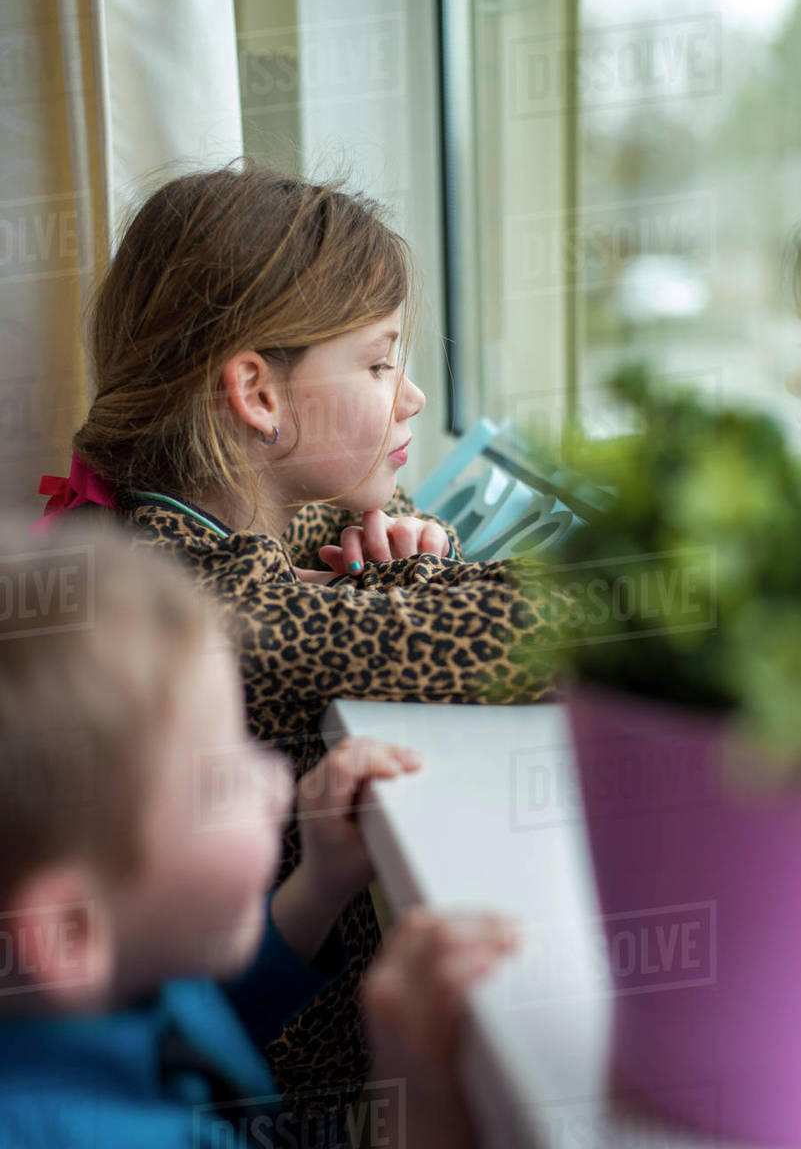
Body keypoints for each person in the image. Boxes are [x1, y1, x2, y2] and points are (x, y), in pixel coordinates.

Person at [34, 163, 568, 1117]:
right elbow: (529, 632)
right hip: (279, 1098)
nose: (409, 399)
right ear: (257, 395)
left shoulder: (195, 527)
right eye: (377, 363)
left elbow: (382, 579)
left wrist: (404, 551)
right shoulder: (203, 600)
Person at [0, 520, 519, 1149]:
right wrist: (424, 1116)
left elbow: (201, 1014)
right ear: (68, 931)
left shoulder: (100, 987)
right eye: (225, 777)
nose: (277, 783)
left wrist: (319, 885)